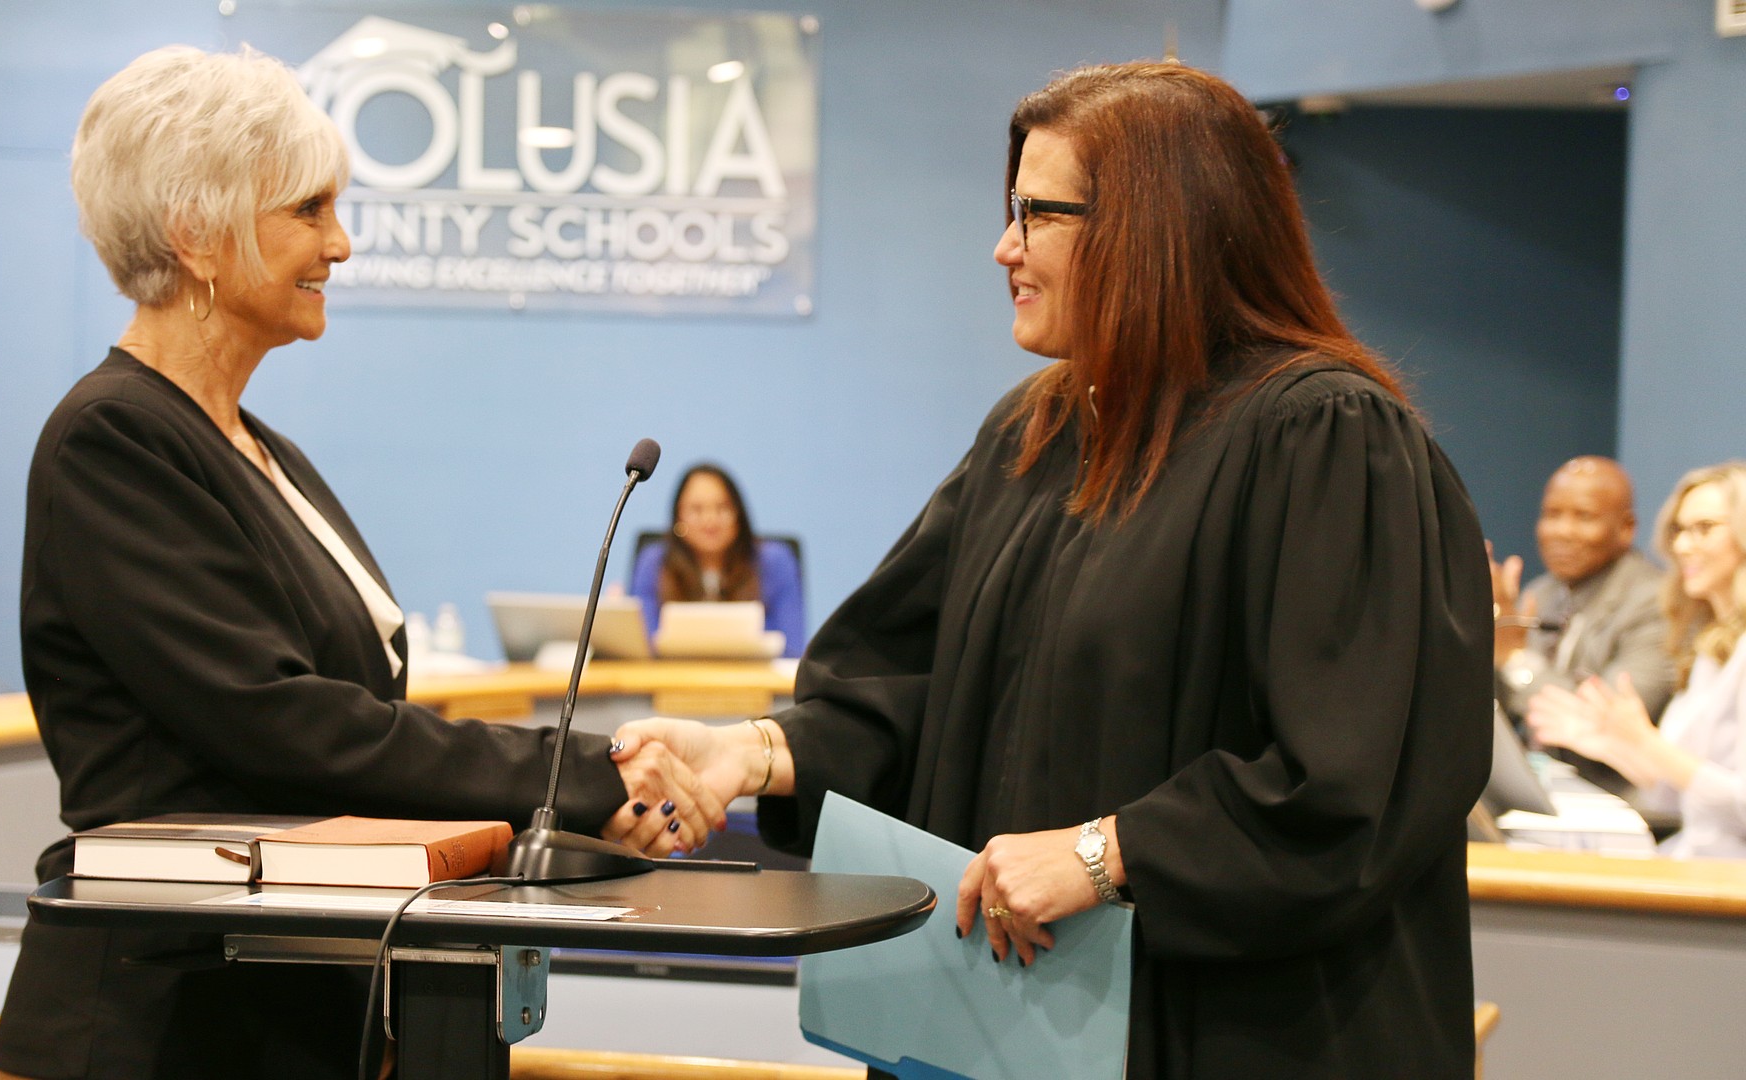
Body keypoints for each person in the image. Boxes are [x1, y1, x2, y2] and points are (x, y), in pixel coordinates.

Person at [614, 62, 1492, 1079]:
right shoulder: (1037, 431)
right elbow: (919, 687)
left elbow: (1355, 782)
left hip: (1238, 1037)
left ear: (1157, 227)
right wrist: (751, 755)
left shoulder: (1325, 436)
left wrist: (1105, 856)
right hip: (1011, 1034)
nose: (1004, 248)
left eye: (1037, 214)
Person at [0, 46, 720, 1080]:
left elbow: (340, 738)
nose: (342, 241)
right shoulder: (113, 441)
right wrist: (580, 772)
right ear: (197, 235)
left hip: (286, 1011)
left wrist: (567, 812)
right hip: (153, 1027)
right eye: (308, 209)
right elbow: (283, 725)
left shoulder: (259, 451)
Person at [1528, 462, 1746, 859]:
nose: (1682, 546)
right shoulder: (1712, 649)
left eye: (1705, 528)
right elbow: (1673, 794)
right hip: (1688, 861)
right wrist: (1608, 743)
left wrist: (1646, 742)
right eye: (1680, 530)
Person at [1491, 457, 1672, 731]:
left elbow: (1606, 722)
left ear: (1626, 528)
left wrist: (1515, 658)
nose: (1562, 532)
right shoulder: (1541, 592)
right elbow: (1500, 711)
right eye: (1552, 514)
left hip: (1602, 774)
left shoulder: (1656, 601)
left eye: (1584, 516)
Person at [630, 463, 807, 657]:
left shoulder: (775, 562)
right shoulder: (654, 563)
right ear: (678, 517)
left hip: (753, 683)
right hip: (672, 683)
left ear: (739, 515)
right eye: (697, 510)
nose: (710, 520)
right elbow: (643, 649)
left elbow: (792, 649)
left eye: (722, 508)